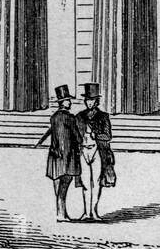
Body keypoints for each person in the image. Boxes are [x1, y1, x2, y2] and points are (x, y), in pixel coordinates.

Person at [36, 85, 82, 222]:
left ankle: (61, 212)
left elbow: (52, 132)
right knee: (65, 185)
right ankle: (62, 214)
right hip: (67, 156)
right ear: (63, 102)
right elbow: (77, 137)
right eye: (68, 100)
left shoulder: (54, 117)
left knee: (58, 186)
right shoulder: (70, 118)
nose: (70, 103)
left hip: (55, 156)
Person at [74, 83, 115, 222]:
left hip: (97, 151)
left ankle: (94, 212)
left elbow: (108, 136)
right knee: (85, 183)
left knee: (96, 182)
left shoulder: (103, 116)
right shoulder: (79, 116)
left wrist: (95, 136)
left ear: (96, 101)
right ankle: (86, 213)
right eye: (87, 100)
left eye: (92, 100)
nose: (89, 103)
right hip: (83, 151)